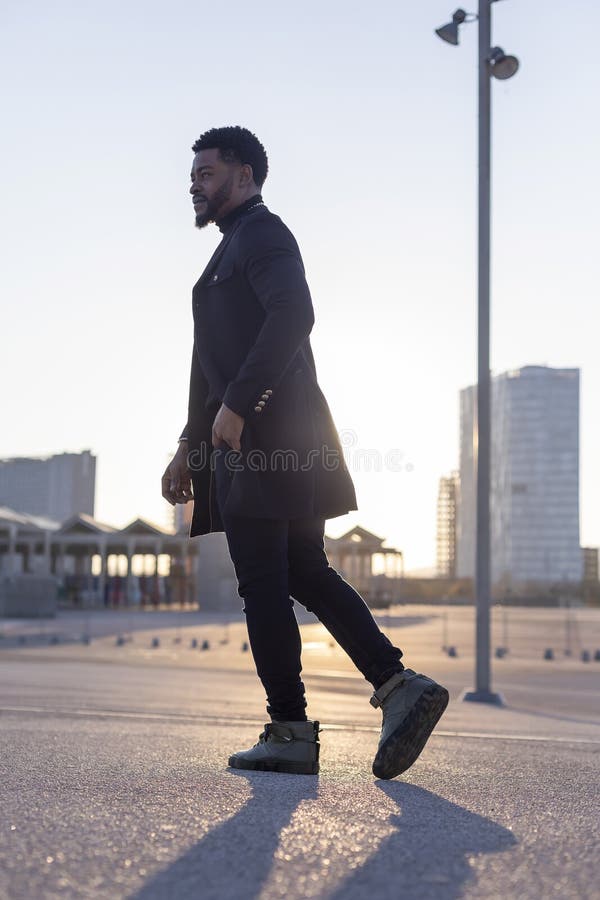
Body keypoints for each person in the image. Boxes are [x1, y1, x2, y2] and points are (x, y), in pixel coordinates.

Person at [162, 126, 448, 779]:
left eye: (206, 173)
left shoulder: (261, 234)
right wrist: (187, 442)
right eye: (193, 175)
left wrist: (237, 406)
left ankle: (290, 729)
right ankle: (398, 688)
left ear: (243, 173)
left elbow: (294, 314)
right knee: (301, 569)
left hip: (266, 438)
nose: (194, 185)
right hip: (279, 435)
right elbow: (205, 364)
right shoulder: (233, 248)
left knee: (265, 583)